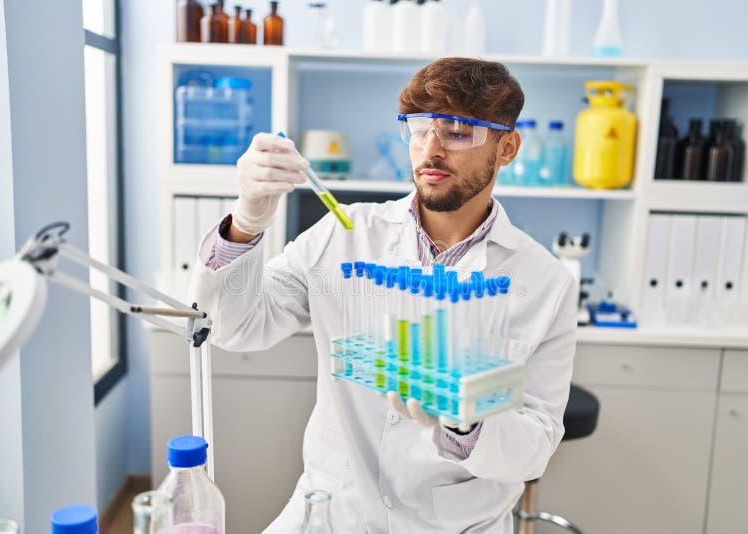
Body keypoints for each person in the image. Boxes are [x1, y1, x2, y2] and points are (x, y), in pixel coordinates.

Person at [190, 57, 577, 533]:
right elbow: (235, 327)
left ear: (507, 148)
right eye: (419, 129)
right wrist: (246, 223)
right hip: (332, 512)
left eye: (458, 132)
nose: (430, 150)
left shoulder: (544, 282)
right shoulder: (343, 234)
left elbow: (535, 446)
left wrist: (468, 423)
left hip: (453, 524)